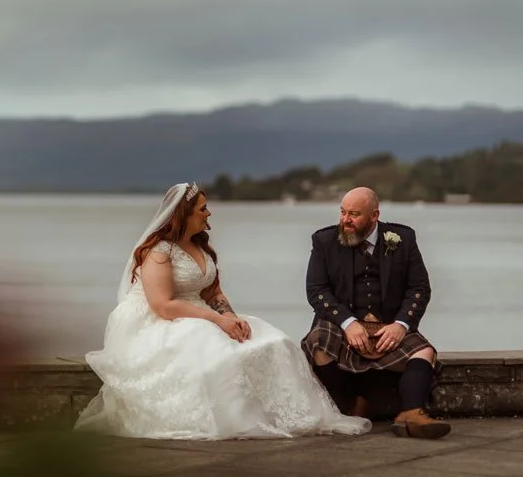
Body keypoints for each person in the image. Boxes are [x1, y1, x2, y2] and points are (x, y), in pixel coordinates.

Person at [74, 182, 370, 440]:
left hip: (204, 313)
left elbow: (213, 291)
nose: (209, 213)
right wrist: (217, 320)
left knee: (275, 341)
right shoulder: (158, 252)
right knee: (221, 353)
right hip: (164, 320)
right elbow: (163, 305)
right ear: (184, 215)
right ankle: (234, 419)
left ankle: (285, 416)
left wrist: (229, 315)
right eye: (202, 209)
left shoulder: (199, 247)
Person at [302, 187, 450, 439]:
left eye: (354, 214)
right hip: (342, 324)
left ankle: (411, 414)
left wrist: (401, 324)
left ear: (374, 216)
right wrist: (348, 323)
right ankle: (350, 404)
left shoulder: (402, 239)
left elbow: (419, 288)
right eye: (342, 212)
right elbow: (317, 291)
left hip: (388, 325)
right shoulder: (325, 241)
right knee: (318, 344)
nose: (345, 220)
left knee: (424, 351)